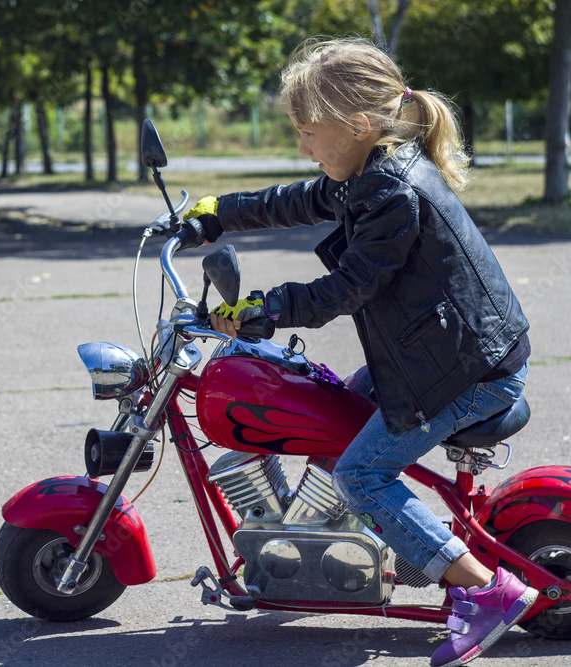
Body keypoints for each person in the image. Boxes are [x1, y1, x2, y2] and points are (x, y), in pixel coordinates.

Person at [184, 37, 537, 667]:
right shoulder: (367, 173)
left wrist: (263, 310)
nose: (303, 147)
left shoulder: (390, 193)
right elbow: (293, 199)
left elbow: (350, 285)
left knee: (359, 472)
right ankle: (376, 547)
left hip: (467, 372)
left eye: (308, 132)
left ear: (357, 124)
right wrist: (217, 214)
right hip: (442, 354)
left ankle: (487, 590)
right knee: (333, 410)